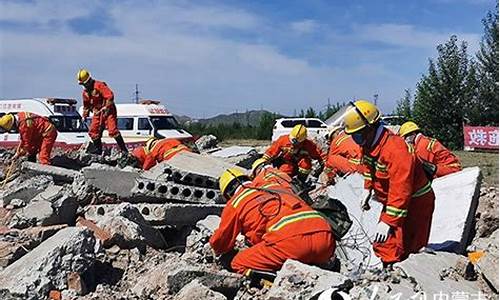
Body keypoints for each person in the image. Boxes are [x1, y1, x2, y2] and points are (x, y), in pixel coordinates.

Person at [342, 100, 435, 267]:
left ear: (370, 127)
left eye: (357, 135)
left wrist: (388, 221)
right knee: (386, 244)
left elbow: (401, 189)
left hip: (416, 203)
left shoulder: (395, 150)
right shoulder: (370, 143)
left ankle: (406, 280)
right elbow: (369, 167)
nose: (355, 139)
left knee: (411, 249)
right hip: (394, 202)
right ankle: (390, 272)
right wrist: (367, 189)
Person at [210, 168, 335, 274]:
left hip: (293, 245)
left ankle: (275, 281)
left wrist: (214, 245)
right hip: (326, 239)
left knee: (238, 263)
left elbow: (221, 242)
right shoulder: (274, 186)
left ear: (227, 195)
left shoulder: (235, 202)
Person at [77, 69, 128, 155]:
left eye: (84, 83)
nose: (84, 85)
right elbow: (86, 106)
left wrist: (106, 107)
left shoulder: (99, 85)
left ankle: (124, 150)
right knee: (93, 132)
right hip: (97, 112)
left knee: (113, 130)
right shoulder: (85, 93)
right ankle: (98, 150)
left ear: (88, 81)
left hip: (108, 110)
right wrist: (84, 115)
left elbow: (110, 96)